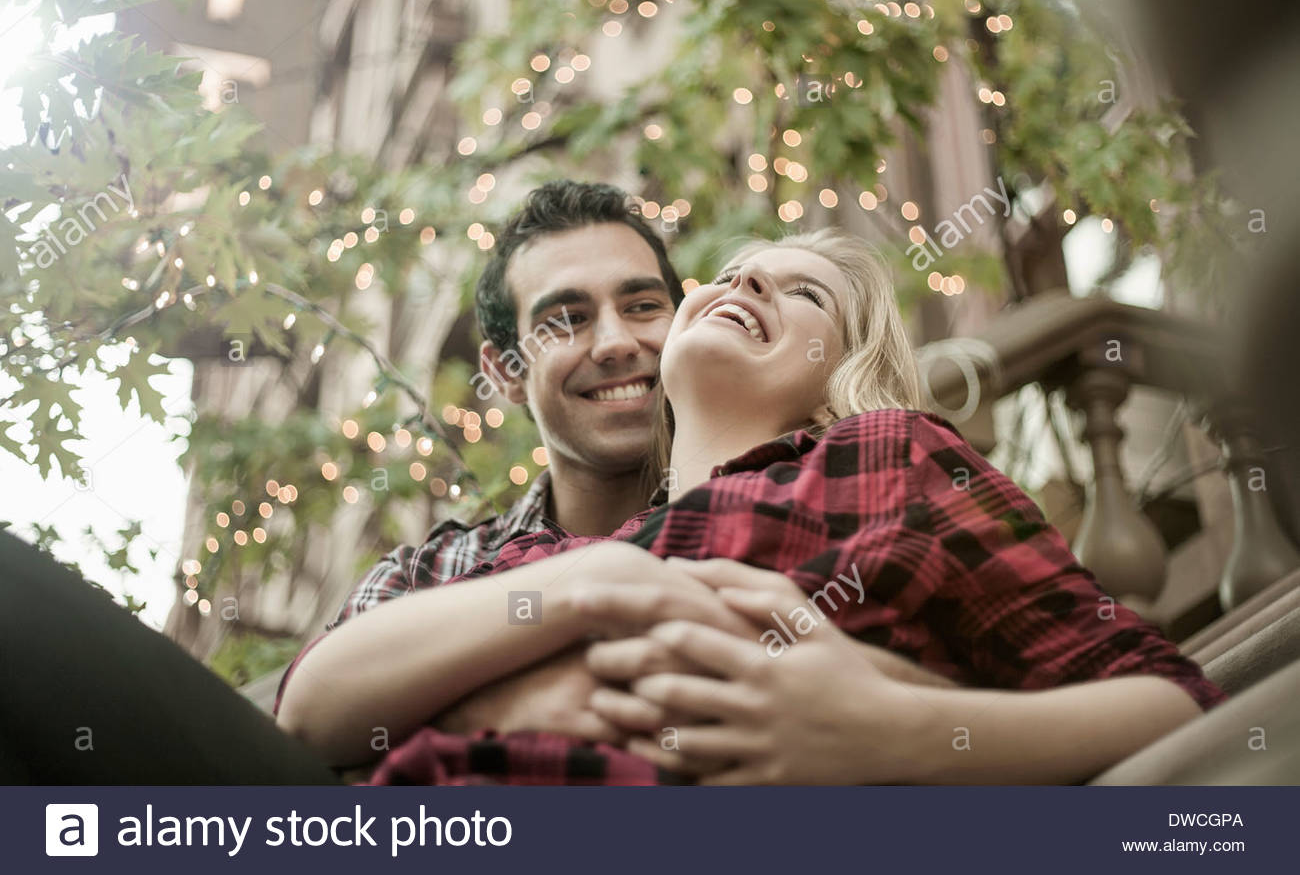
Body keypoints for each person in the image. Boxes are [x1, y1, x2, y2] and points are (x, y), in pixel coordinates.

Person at [277, 229, 1227, 785]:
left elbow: (1172, 703)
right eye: (729, 276)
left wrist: (889, 730)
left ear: (837, 376)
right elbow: (310, 712)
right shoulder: (522, 563)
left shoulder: (885, 457)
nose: (748, 281)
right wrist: (602, 579)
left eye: (802, 290)